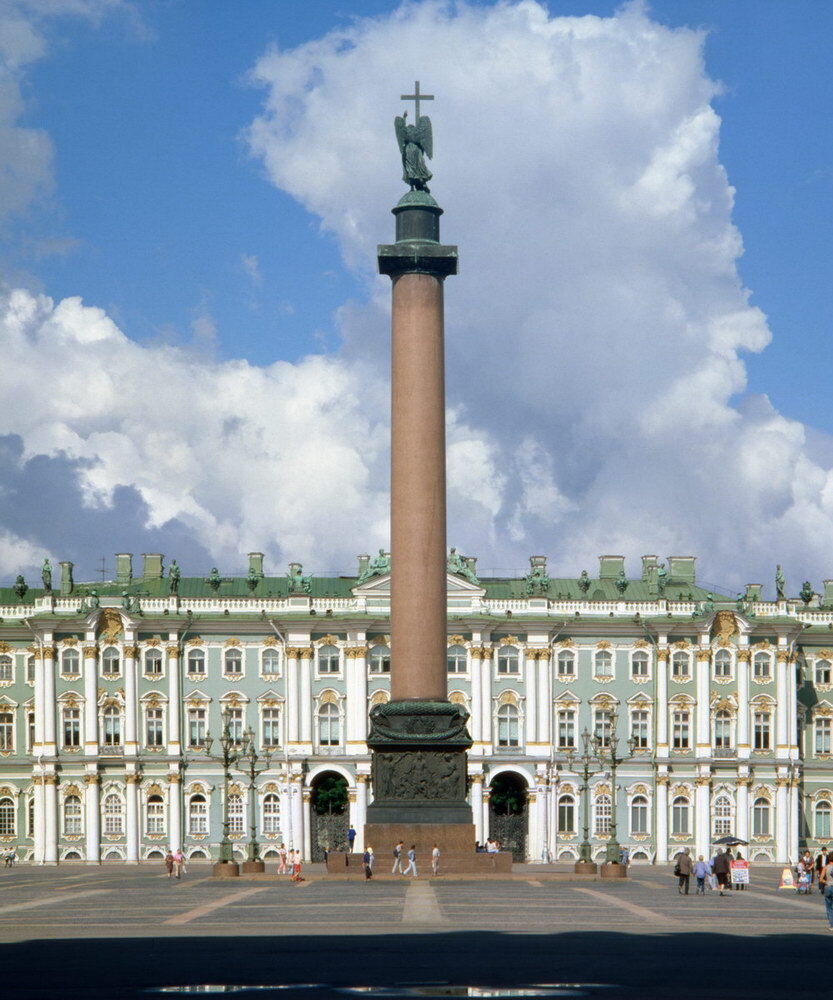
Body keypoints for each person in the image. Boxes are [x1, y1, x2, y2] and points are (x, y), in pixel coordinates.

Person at [820, 854, 833, 930]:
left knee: (829, 907)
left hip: (828, 887)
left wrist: (827, 881)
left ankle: (832, 925)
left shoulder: (825, 867)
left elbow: (821, 879)